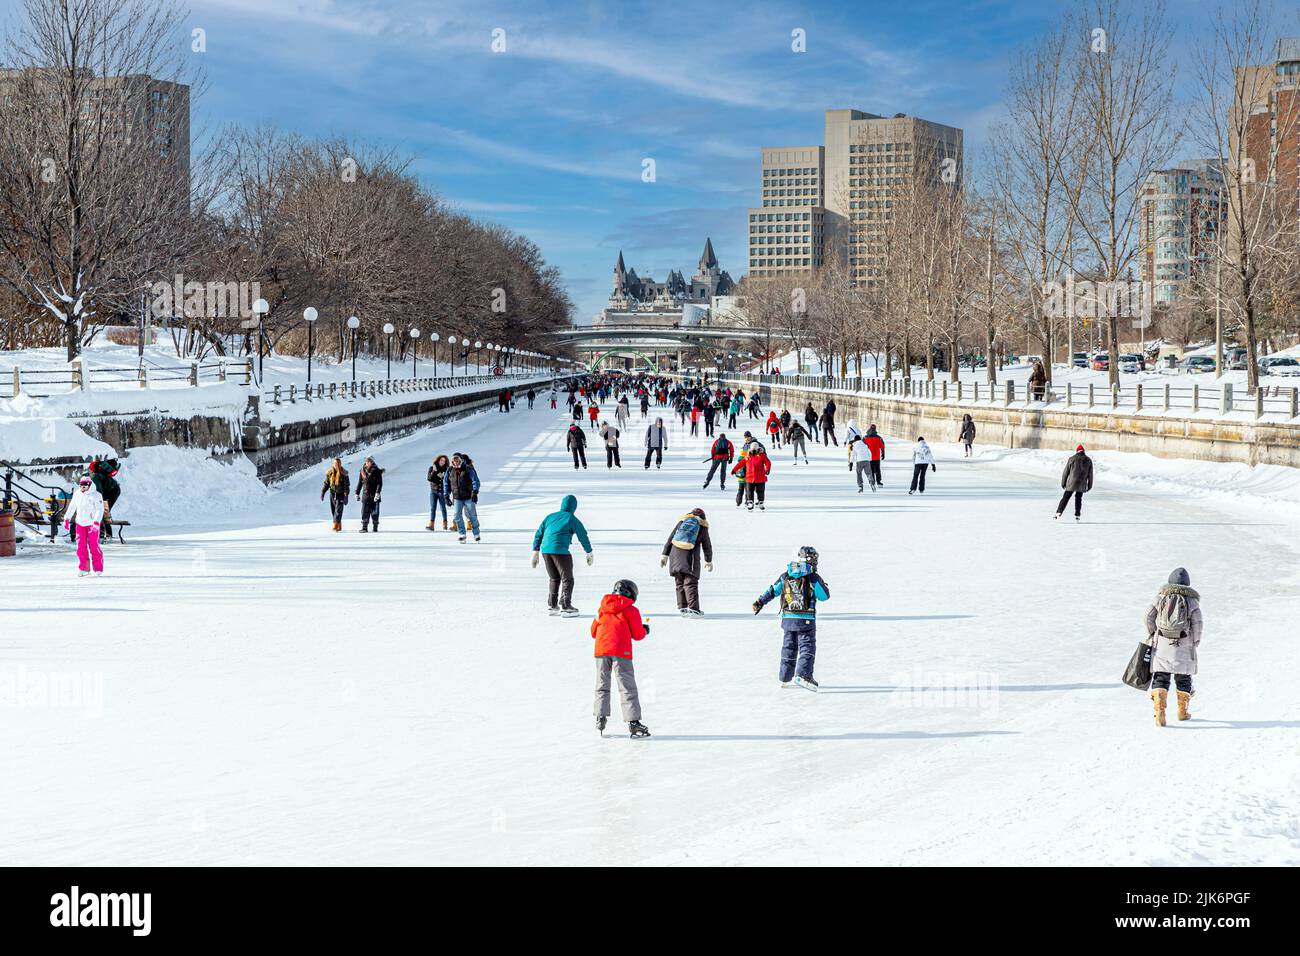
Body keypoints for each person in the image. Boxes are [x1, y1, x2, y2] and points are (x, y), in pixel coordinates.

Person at [752, 545, 829, 691]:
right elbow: (824, 596)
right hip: (806, 620)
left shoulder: (787, 574)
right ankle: (803, 675)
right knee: (807, 647)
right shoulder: (812, 576)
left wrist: (760, 602)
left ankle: (785, 677)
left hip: (788, 619)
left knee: (789, 647)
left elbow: (773, 590)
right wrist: (823, 585)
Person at [590, 579, 650, 738]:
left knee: (602, 685)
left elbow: (593, 632)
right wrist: (645, 630)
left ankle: (600, 717)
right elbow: (637, 635)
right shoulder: (631, 610)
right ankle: (633, 722)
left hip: (601, 651)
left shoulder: (602, 608)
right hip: (621, 652)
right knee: (627, 686)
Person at [1144, 567, 1203, 726]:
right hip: (1184, 644)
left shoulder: (1161, 597)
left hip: (1162, 644)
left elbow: (1148, 617)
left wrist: (1154, 633)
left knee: (1161, 677)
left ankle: (1159, 713)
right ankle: (1182, 712)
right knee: (1183, 677)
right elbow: (1197, 625)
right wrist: (1194, 642)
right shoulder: (1192, 602)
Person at [531, 494, 594, 616]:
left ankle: (552, 605)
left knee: (554, 578)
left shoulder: (550, 517)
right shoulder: (571, 518)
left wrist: (535, 551)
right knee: (568, 579)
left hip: (545, 551)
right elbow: (582, 536)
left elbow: (539, 533)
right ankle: (566, 606)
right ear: (574, 507)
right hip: (560, 551)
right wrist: (589, 552)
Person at [661, 507, 713, 616]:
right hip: (690, 558)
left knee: (679, 582)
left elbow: (670, 539)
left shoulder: (682, 522)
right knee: (690, 582)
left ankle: (682, 607)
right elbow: (707, 545)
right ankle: (693, 609)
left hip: (674, 556)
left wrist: (665, 554)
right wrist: (708, 561)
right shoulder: (702, 526)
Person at [64, 475, 105, 576]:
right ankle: (84, 568)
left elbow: (100, 510)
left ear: (89, 485)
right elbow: (72, 506)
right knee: (80, 547)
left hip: (92, 524)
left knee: (93, 546)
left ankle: (98, 569)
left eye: (85, 485)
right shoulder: (77, 494)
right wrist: (67, 518)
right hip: (80, 523)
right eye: (81, 485)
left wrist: (96, 522)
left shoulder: (96, 495)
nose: (83, 487)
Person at [444, 451, 481, 543]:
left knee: (472, 515)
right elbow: (446, 483)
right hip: (457, 497)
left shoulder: (468, 469)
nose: (455, 462)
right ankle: (462, 534)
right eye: (454, 460)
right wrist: (446, 495)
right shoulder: (450, 470)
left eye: (457, 460)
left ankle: (476, 533)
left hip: (469, 496)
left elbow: (475, 481)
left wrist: (475, 492)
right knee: (457, 515)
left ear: (461, 460)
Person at [1055, 444, 1093, 521]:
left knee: (1065, 498)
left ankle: (1059, 512)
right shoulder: (1088, 460)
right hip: (1082, 483)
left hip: (1071, 483)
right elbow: (1090, 475)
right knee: (1078, 499)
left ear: (1077, 451)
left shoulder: (1072, 459)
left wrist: (1063, 483)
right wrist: (1089, 486)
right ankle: (1077, 515)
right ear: (1083, 451)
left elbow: (1065, 472)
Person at [733, 440, 771, 511]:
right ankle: (750, 503)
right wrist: (734, 470)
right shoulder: (748, 456)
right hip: (750, 478)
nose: (753, 451)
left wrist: (767, 469)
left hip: (760, 478)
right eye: (752, 449)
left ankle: (761, 502)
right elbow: (741, 463)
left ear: (758, 449)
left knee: (760, 491)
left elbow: (767, 462)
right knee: (749, 491)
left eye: (755, 449)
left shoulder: (762, 455)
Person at [320, 458, 350, 531]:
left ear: (340, 464)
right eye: (335, 464)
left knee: (338, 510)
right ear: (333, 464)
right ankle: (339, 524)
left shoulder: (344, 473)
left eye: (337, 464)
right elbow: (327, 483)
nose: (336, 465)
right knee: (334, 510)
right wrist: (323, 492)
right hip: (333, 494)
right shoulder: (330, 473)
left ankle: (335, 524)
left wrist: (346, 495)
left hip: (341, 494)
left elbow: (346, 485)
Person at [356, 456, 384, 532]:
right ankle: (364, 527)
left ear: (372, 462)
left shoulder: (377, 471)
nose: (367, 462)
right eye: (366, 461)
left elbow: (379, 483)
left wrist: (377, 493)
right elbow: (360, 483)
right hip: (365, 495)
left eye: (369, 461)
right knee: (364, 511)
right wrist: (357, 493)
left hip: (374, 495)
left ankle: (375, 526)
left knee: (375, 511)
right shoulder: (362, 471)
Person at [426, 455, 451, 530]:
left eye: (444, 461)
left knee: (443, 508)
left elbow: (445, 479)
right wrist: (434, 471)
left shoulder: (447, 470)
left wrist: (448, 492)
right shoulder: (432, 468)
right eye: (441, 460)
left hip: (442, 492)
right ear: (438, 460)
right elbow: (429, 478)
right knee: (433, 508)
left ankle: (445, 523)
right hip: (433, 491)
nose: (442, 462)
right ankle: (431, 525)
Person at [864, 425, 886, 490]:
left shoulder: (865, 438)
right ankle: (879, 482)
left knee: (871, 470)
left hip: (869, 457)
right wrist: (883, 453)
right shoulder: (879, 438)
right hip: (876, 457)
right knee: (877, 470)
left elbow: (862, 446)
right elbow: (882, 446)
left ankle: (872, 482)